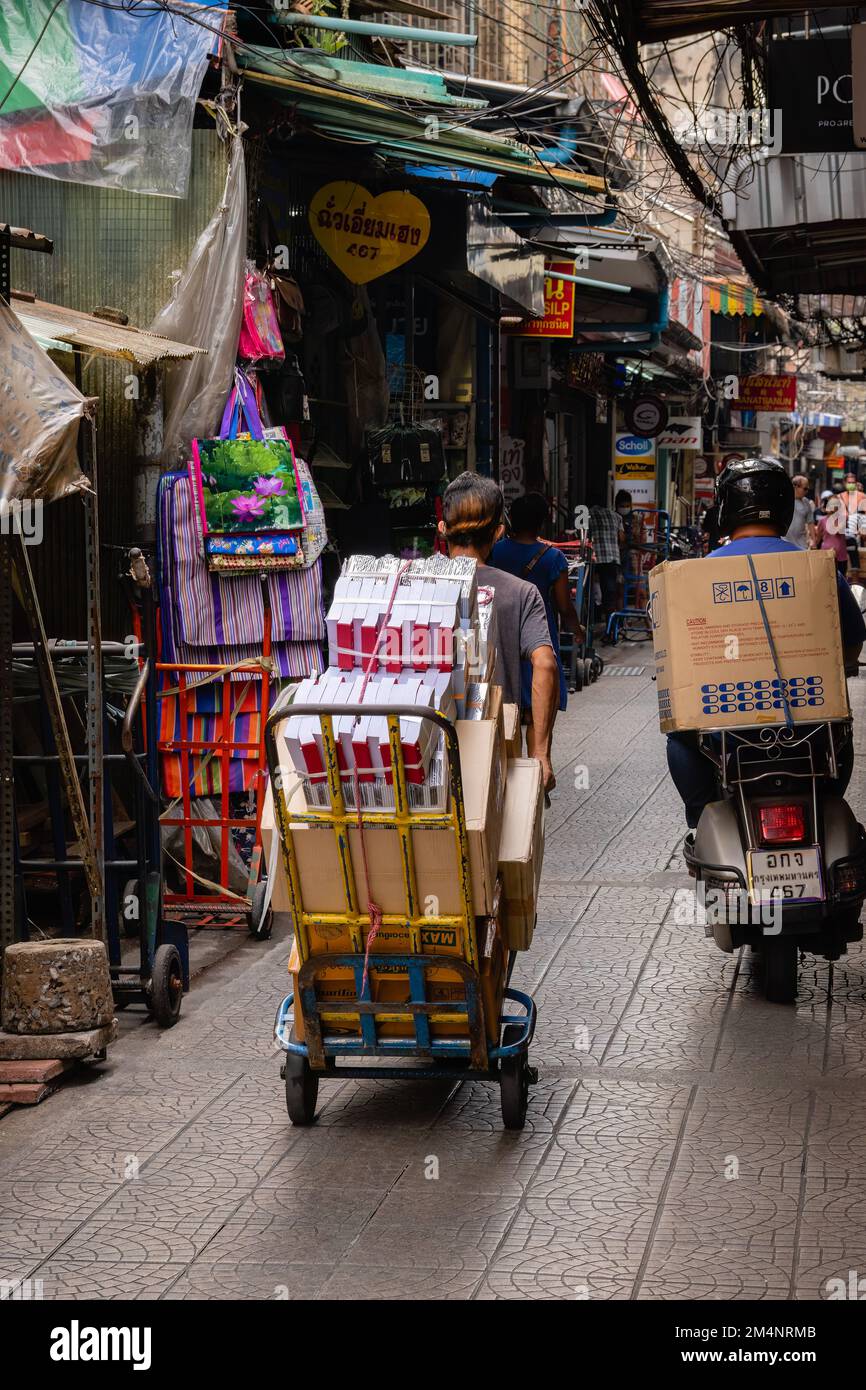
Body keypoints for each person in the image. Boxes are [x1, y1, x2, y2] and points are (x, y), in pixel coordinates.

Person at [666, 457, 866, 830]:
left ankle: (702, 819)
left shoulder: (691, 576)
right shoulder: (818, 568)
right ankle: (826, 805)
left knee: (679, 734)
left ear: (725, 509)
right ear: (785, 507)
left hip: (723, 732)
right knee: (841, 729)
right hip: (808, 729)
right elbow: (853, 641)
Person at [439, 472, 559, 791]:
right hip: (495, 746)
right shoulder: (522, 593)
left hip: (427, 747)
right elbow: (545, 664)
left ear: (442, 529)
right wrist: (540, 755)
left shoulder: (414, 585)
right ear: (498, 532)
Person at [490, 490, 585, 740]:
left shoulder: (495, 552)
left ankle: (509, 772)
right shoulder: (553, 558)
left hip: (501, 635)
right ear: (542, 521)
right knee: (538, 715)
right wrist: (577, 631)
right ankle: (537, 771)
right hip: (539, 638)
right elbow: (564, 606)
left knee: (505, 712)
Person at [589, 492, 626, 629]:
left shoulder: (588, 515)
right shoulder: (616, 516)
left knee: (589, 591)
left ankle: (591, 622)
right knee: (609, 594)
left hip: (592, 559)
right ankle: (610, 629)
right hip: (611, 559)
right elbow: (622, 539)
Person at [816, 495, 850, 575]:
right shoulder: (822, 521)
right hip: (826, 555)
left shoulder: (843, 519)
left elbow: (836, 531)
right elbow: (818, 538)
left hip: (841, 556)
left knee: (841, 580)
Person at [784, 475, 816, 550]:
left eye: (808, 489)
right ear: (796, 486)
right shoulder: (784, 500)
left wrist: (814, 541)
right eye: (805, 489)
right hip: (784, 543)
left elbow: (810, 523)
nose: (807, 491)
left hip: (801, 545)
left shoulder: (806, 502)